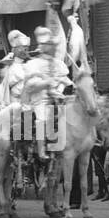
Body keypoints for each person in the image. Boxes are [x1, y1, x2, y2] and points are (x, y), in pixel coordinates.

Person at [20, 27, 72, 161]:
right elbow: (31, 86)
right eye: (50, 45)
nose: (54, 48)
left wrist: (62, 90)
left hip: (58, 99)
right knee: (42, 118)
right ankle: (41, 150)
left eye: (53, 45)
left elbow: (65, 81)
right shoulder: (33, 64)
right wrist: (47, 83)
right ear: (43, 46)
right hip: (40, 100)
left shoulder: (59, 64)